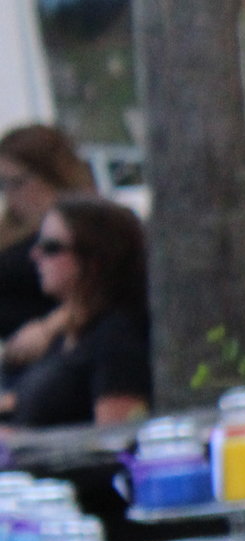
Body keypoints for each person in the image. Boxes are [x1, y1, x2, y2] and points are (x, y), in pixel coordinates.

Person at [2, 196, 150, 428]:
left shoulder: (116, 338)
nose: (35, 255)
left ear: (95, 259)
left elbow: (116, 435)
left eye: (51, 247)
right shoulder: (69, 333)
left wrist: (20, 443)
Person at [0, 125, 96, 353]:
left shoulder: (85, 224)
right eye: (2, 184)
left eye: (16, 183)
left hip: (63, 354)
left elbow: (110, 286)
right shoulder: (12, 228)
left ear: (51, 175)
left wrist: (49, 328)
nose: (8, 194)